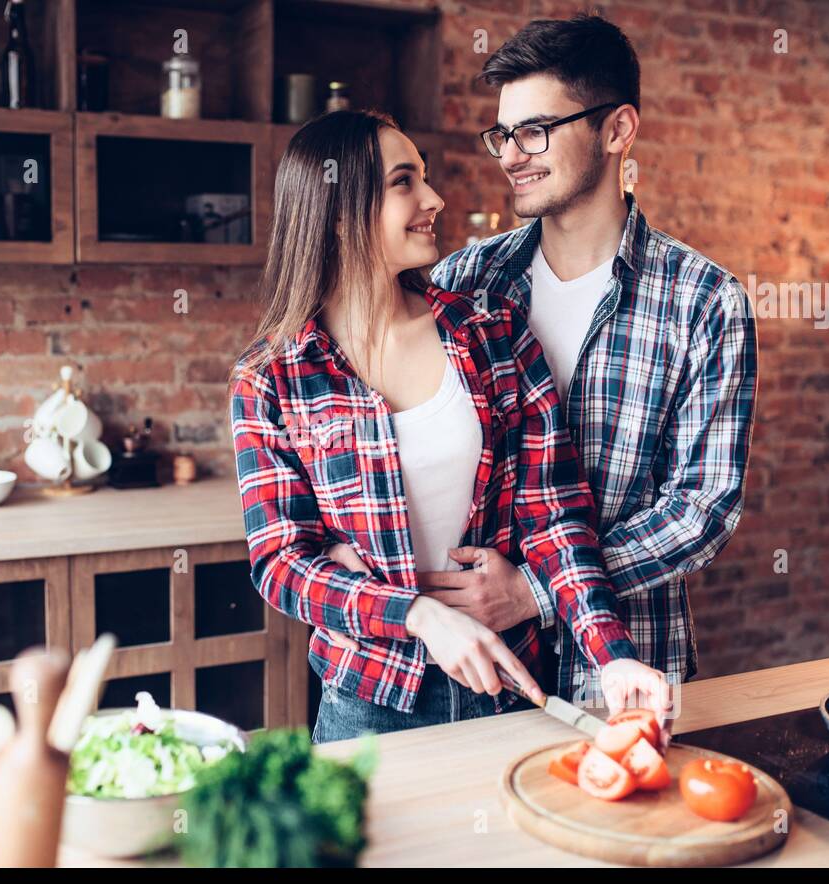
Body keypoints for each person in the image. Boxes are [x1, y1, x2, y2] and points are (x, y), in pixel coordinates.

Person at [229, 108, 670, 744]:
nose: (434, 199)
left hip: (510, 684)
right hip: (369, 700)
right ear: (336, 209)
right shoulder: (272, 377)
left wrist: (612, 653)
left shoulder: (492, 334)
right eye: (404, 182)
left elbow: (554, 516)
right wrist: (418, 614)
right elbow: (279, 562)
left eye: (425, 178)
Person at [407, 14, 758, 708]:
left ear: (617, 129)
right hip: (481, 672)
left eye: (534, 131)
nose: (511, 155)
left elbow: (702, 509)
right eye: (502, 135)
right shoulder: (462, 281)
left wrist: (536, 590)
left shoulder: (706, 300)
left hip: (627, 667)